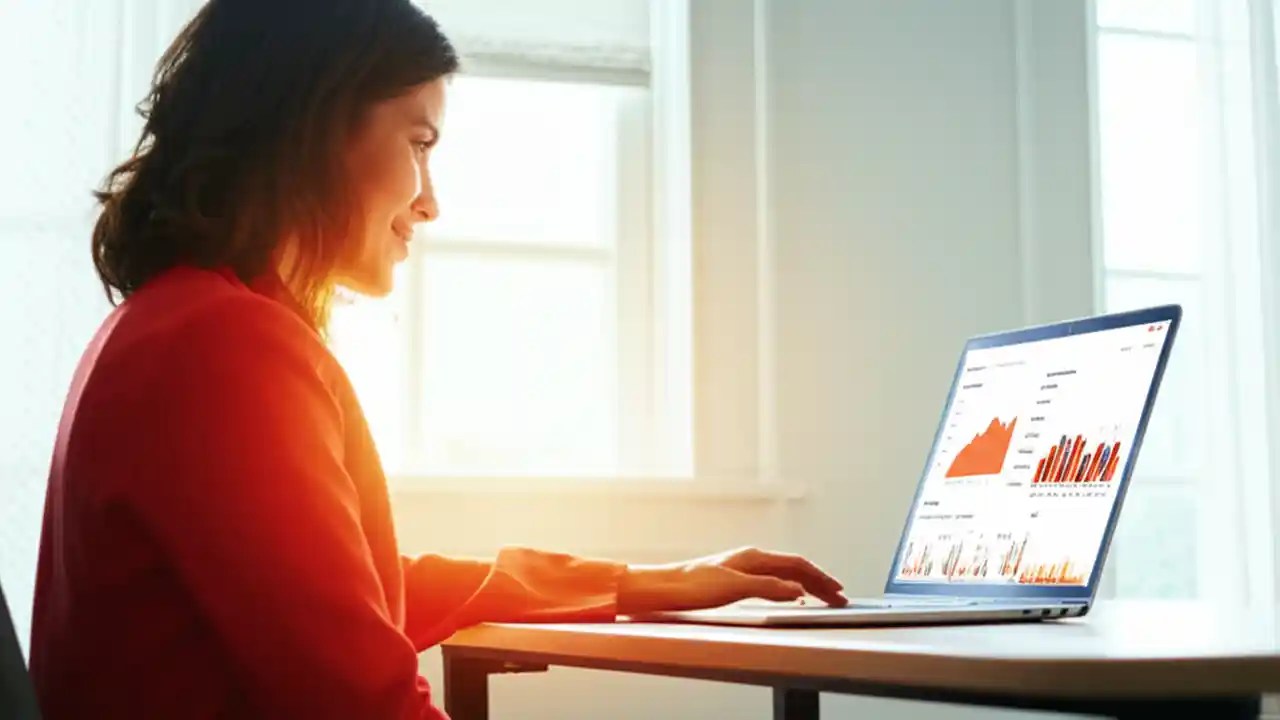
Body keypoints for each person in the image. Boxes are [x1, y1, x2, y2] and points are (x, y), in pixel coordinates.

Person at [28, 1, 848, 717]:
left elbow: (351, 595)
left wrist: (637, 583)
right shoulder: (226, 348)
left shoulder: (172, 323)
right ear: (310, 127)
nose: (430, 199)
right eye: (418, 142)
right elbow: (358, 699)